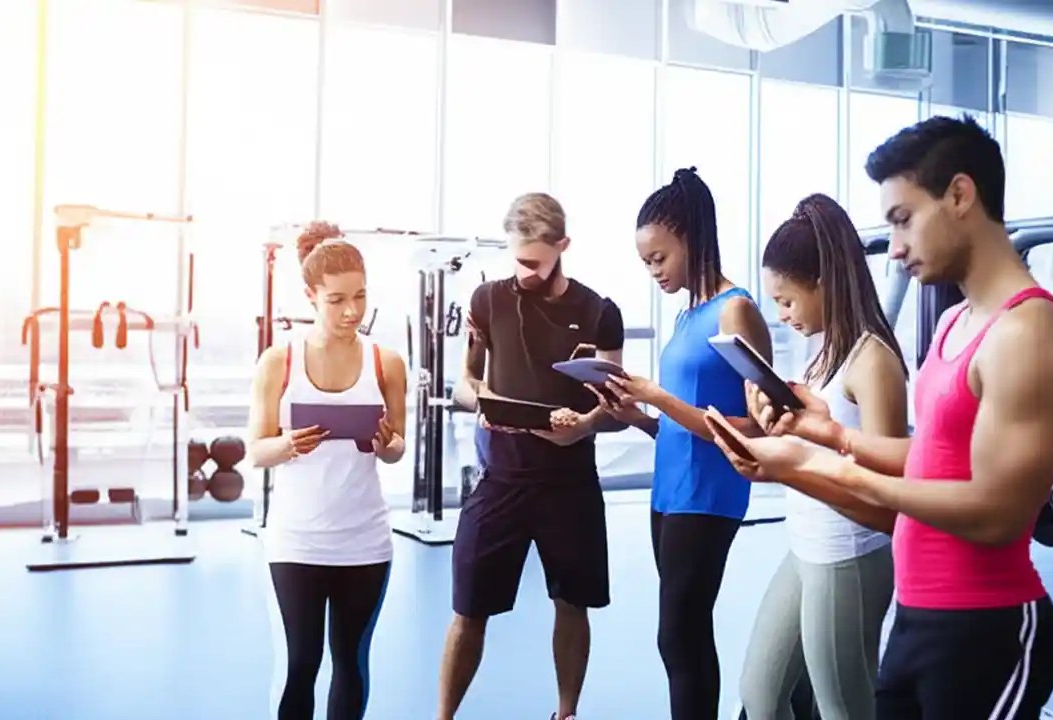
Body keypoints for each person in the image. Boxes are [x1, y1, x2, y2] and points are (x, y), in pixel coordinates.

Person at [710, 116, 1053, 720]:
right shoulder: (952, 324)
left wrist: (820, 467)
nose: (898, 246)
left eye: (903, 219)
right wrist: (829, 434)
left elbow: (995, 514)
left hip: (987, 627)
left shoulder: (1028, 331)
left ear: (960, 196)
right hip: (918, 619)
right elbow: (935, 458)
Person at [437, 193, 626, 720]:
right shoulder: (486, 300)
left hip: (570, 483)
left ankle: (566, 714)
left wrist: (585, 425)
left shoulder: (600, 312)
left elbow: (614, 404)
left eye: (533, 261)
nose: (521, 271)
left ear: (562, 247)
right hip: (500, 477)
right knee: (468, 609)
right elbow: (464, 383)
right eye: (515, 257)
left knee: (572, 603)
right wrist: (485, 403)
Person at [596, 167, 773, 720]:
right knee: (683, 637)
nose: (653, 272)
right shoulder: (685, 317)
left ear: (691, 241)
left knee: (679, 633)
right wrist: (637, 416)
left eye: (658, 258)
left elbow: (757, 425)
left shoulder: (735, 309)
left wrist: (657, 395)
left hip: (709, 495)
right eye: (645, 262)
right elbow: (682, 423)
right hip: (668, 493)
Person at [737, 194, 908, 720]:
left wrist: (790, 464)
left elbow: (884, 496)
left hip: (849, 557)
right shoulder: (822, 354)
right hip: (807, 546)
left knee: (843, 709)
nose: (782, 315)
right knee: (760, 697)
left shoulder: (873, 359)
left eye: (787, 301)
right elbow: (812, 450)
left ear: (824, 283)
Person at [246, 221, 407, 720]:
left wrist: (386, 444)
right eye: (337, 299)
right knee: (301, 662)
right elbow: (255, 450)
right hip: (297, 540)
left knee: (351, 663)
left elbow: (398, 448)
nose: (352, 311)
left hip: (365, 540)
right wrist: (288, 444)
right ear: (310, 295)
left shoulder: (387, 362)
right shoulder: (279, 361)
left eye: (359, 296)